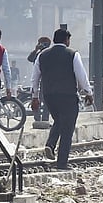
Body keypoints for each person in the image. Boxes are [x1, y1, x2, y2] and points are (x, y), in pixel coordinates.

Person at [30, 28, 95, 169]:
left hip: (49, 96)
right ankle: (62, 163)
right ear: (67, 40)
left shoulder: (42, 55)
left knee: (59, 120)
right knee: (67, 128)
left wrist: (35, 97)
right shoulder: (73, 54)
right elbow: (81, 75)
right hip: (68, 96)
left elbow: (35, 78)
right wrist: (88, 93)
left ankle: (50, 144)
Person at [27, 36, 51, 121]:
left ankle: (45, 118)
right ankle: (37, 118)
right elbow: (30, 58)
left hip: (46, 80)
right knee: (35, 99)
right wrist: (36, 49)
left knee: (46, 101)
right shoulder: (37, 54)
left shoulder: (49, 54)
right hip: (37, 79)